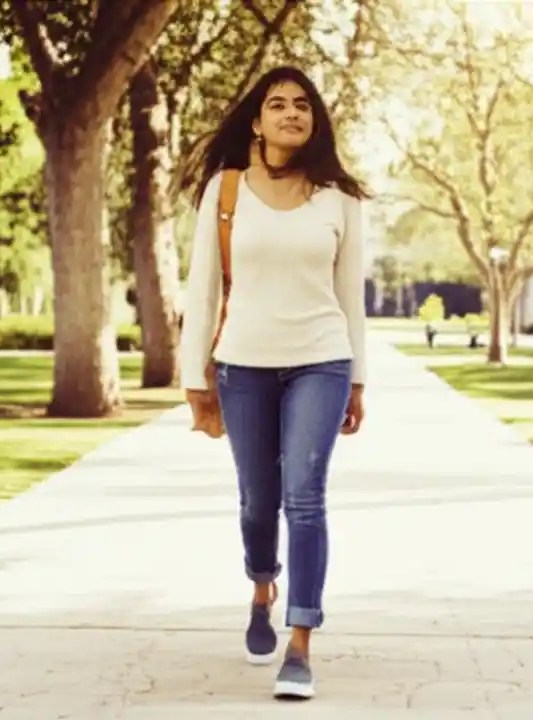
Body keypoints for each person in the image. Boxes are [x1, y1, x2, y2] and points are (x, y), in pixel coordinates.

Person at [178, 65, 370, 701]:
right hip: (243, 365)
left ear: (315, 120)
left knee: (305, 497)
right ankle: (263, 586)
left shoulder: (340, 198)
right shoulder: (225, 190)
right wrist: (194, 376)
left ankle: (301, 643)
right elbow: (203, 288)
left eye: (303, 104)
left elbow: (350, 296)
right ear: (257, 122)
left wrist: (358, 380)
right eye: (278, 104)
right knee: (257, 502)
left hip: (322, 360)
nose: (292, 112)